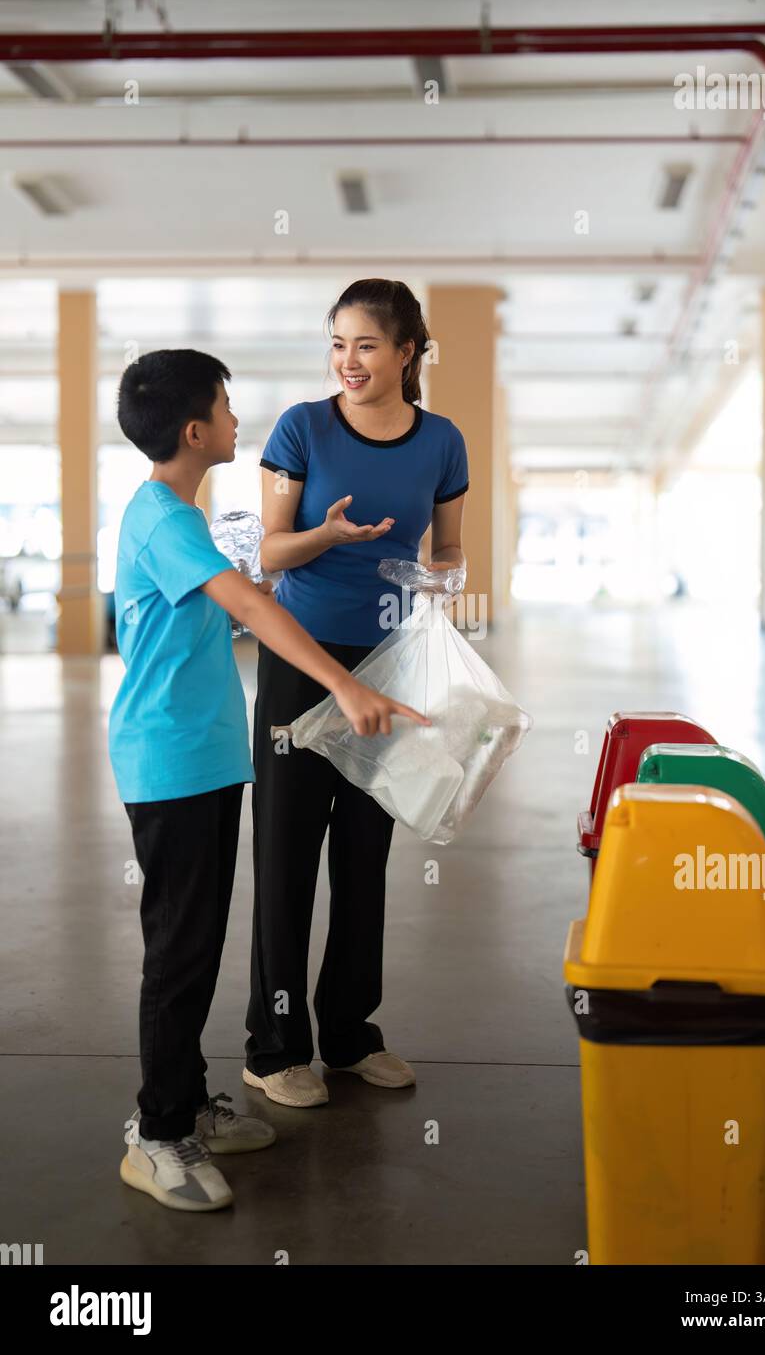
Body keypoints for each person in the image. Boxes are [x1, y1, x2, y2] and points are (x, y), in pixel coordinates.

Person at [110, 348, 428, 1213]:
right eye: (224, 404)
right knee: (179, 952)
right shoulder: (161, 519)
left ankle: (185, 1104)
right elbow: (251, 607)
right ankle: (158, 1132)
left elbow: (239, 593)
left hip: (206, 759)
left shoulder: (181, 513)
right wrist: (347, 683)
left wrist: (313, 543)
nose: (236, 418)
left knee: (202, 941)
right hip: (167, 762)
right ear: (193, 430)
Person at [244, 278, 469, 1107]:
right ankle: (274, 1048)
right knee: (287, 849)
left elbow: (445, 551)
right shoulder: (302, 427)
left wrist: (440, 587)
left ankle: (347, 1034)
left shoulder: (442, 442)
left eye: (366, 346)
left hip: (390, 664)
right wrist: (327, 534)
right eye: (338, 344)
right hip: (301, 661)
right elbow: (268, 555)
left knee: (365, 852)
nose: (349, 361)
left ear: (408, 352)